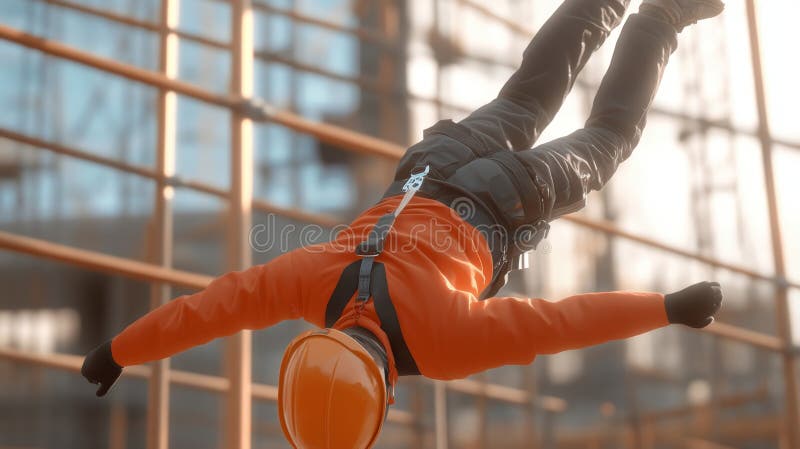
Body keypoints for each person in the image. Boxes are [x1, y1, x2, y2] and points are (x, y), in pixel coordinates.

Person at [82, 0, 725, 448]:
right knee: (534, 88)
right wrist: (119, 351)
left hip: (503, 203)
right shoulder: (309, 283)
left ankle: (662, 15)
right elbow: (210, 309)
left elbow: (560, 324)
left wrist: (665, 308)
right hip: (432, 165)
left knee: (606, 136)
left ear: (383, 402)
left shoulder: (440, 345)